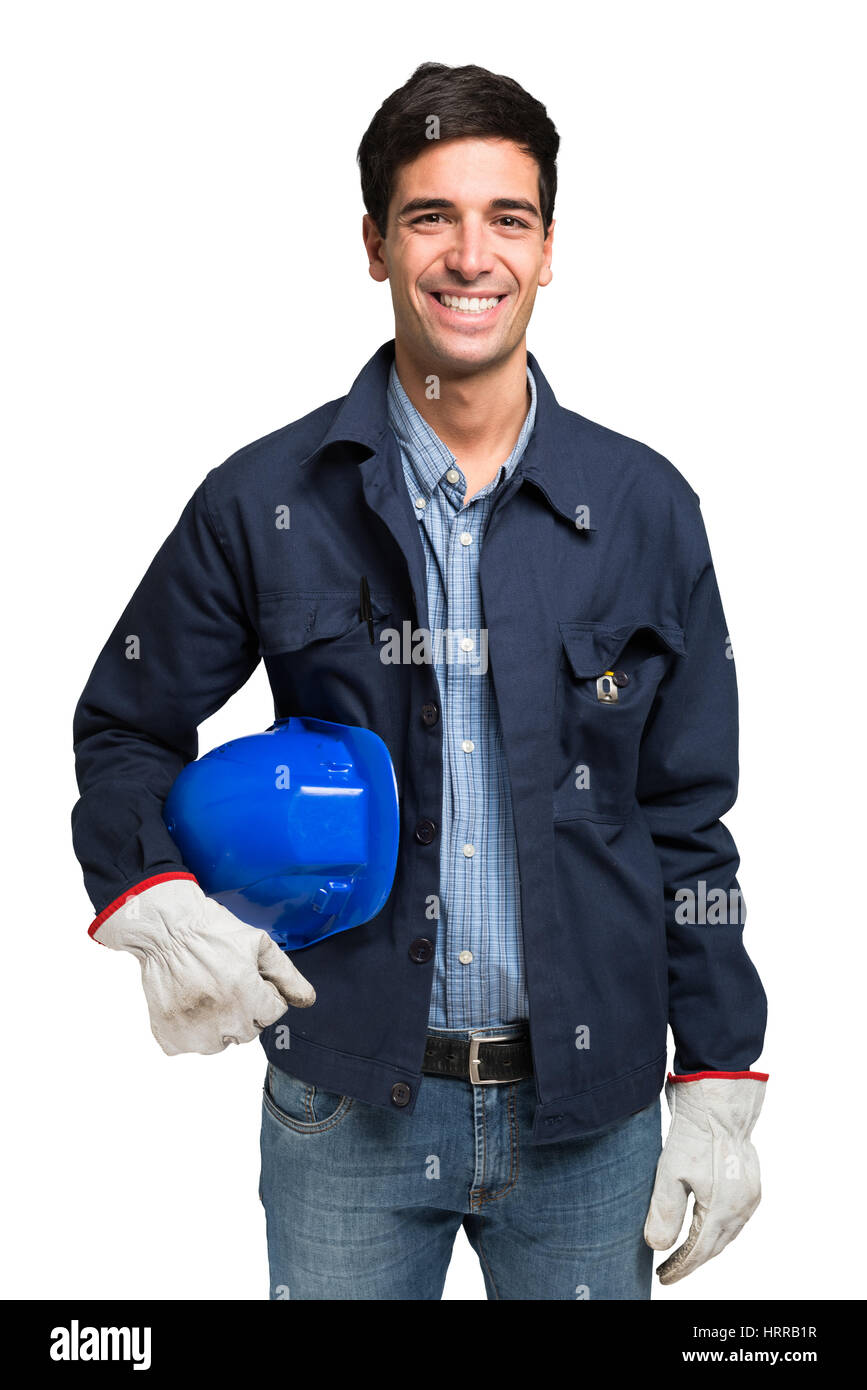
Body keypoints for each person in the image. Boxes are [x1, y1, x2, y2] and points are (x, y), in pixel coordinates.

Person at [71, 61, 768, 1301]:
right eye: (430, 216)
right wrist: (157, 898)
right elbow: (126, 721)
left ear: (548, 248)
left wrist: (715, 1085)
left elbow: (685, 821)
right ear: (374, 243)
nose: (469, 254)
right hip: (345, 1105)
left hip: (591, 1127)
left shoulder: (647, 509)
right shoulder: (267, 500)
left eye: (507, 217)